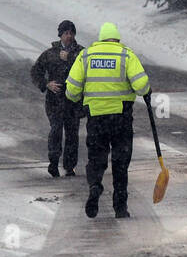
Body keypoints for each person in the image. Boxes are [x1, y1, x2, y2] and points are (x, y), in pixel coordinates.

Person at [65, 21, 152, 219]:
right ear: (117, 39)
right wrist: (146, 91)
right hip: (121, 118)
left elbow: (71, 90)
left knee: (96, 158)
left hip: (96, 119)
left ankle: (95, 185)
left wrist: (79, 98)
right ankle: (120, 207)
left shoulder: (86, 56)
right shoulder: (125, 55)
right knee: (120, 163)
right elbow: (141, 85)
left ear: (100, 39)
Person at [31, 20, 84, 178]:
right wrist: (46, 84)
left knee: (72, 134)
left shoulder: (81, 53)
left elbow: (88, 68)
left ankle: (69, 166)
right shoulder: (50, 53)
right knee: (55, 131)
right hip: (54, 100)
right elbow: (35, 71)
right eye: (66, 33)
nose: (69, 36)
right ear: (60, 35)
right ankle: (53, 163)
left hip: (74, 101)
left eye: (71, 33)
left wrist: (70, 58)